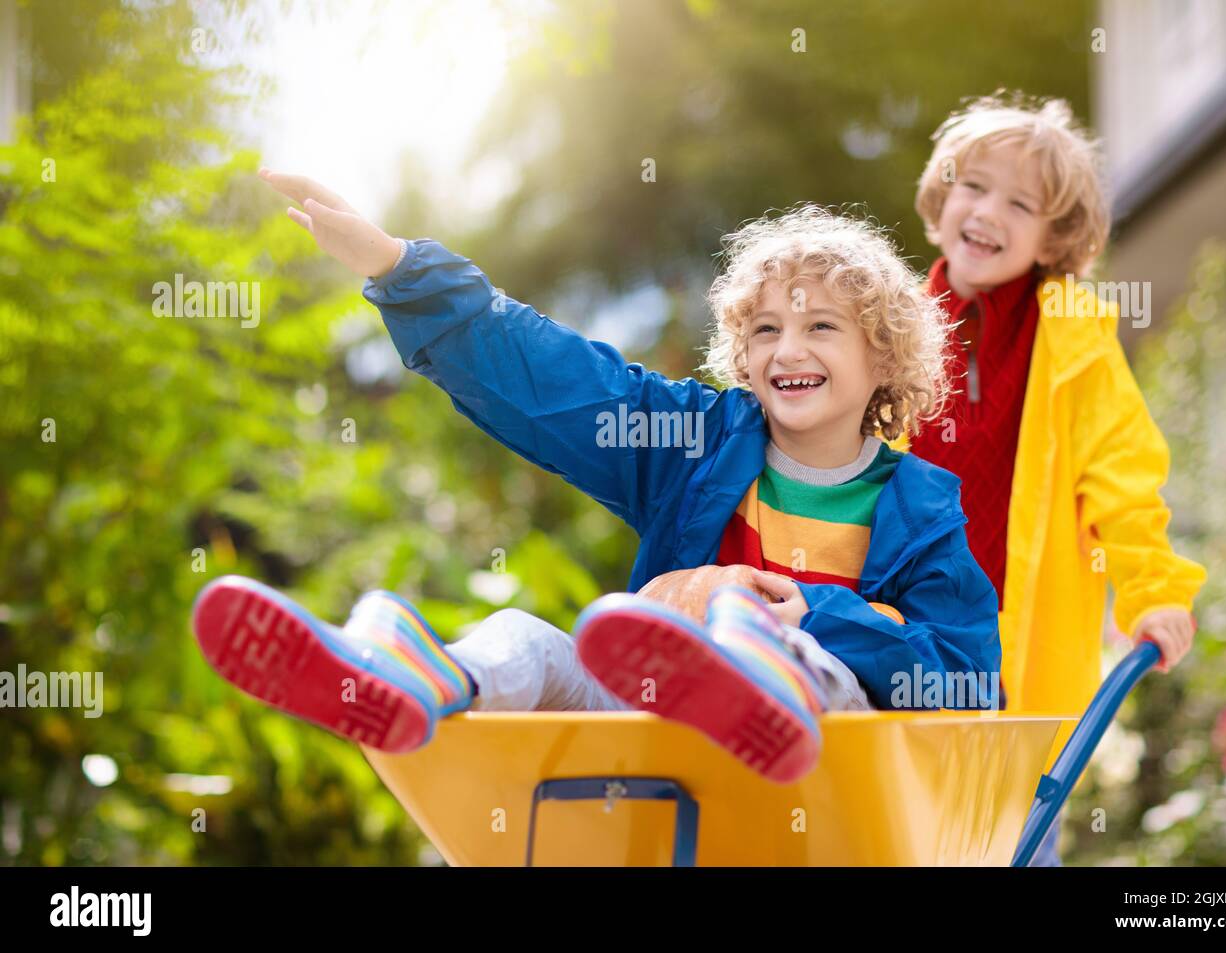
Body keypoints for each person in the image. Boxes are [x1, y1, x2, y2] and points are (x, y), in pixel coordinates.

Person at [191, 183, 999, 784]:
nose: (787, 351)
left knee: (799, 651)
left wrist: (814, 614)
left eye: (821, 327)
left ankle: (767, 671)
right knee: (528, 639)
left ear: (885, 358)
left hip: (825, 768)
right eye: (765, 330)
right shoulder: (695, 444)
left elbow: (967, 681)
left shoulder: (922, 512)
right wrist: (398, 269)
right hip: (657, 738)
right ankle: (416, 676)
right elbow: (558, 383)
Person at [905, 92, 1208, 858]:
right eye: (972, 186)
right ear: (942, 199)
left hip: (1016, 657)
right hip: (894, 640)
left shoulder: (1074, 339)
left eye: (1021, 202)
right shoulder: (887, 326)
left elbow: (1123, 475)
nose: (987, 211)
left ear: (1053, 237)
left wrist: (1154, 592)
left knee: (1012, 840)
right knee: (896, 833)